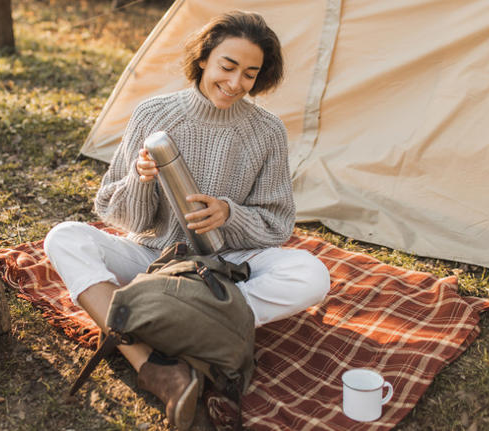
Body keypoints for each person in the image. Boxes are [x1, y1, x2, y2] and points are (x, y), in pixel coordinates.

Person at [44, 10, 330, 430]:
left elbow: (278, 222)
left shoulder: (267, 131)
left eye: (250, 74)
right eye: (227, 67)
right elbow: (113, 210)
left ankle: (167, 323)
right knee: (64, 238)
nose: (235, 84)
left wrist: (230, 213)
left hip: (225, 268)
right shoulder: (153, 115)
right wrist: (140, 181)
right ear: (203, 59)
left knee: (312, 274)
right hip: (152, 257)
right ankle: (158, 368)